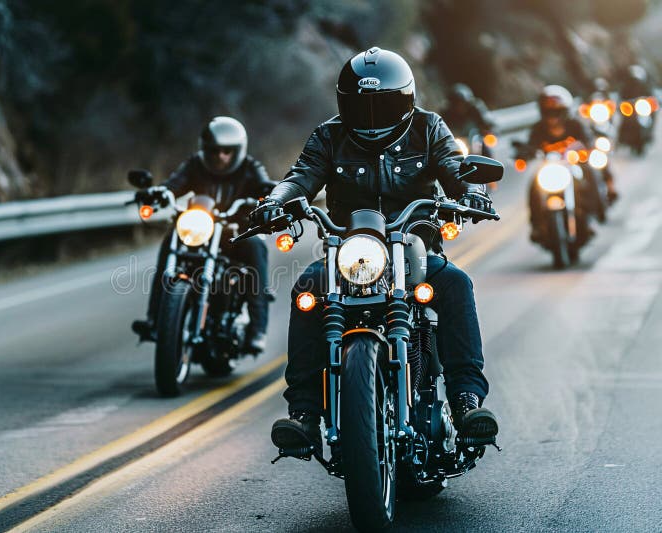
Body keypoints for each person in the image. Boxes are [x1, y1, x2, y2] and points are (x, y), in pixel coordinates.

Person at [249, 47, 499, 451]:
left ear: (405, 100)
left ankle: (466, 402)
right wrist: (276, 202)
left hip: (414, 250)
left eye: (381, 105)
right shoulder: (329, 136)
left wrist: (473, 192)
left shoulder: (428, 128)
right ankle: (305, 415)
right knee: (308, 292)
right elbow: (300, 177)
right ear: (344, 103)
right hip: (350, 254)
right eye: (360, 106)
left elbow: (456, 168)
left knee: (455, 284)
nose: (370, 116)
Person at [132, 116, 276, 354]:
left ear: (238, 150)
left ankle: (257, 329)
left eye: (227, 151)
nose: (220, 156)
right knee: (171, 239)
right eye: (215, 150)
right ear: (205, 149)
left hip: (235, 233)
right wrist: (162, 192)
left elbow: (263, 185)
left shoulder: (251, 168)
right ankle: (155, 319)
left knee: (255, 246)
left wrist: (268, 194)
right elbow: (174, 183)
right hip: (200, 231)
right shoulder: (195, 165)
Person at [521, 85, 616, 239]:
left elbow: (588, 141)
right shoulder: (538, 129)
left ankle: (596, 210)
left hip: (574, 166)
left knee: (591, 173)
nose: (553, 117)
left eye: (556, 112)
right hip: (550, 169)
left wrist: (588, 151)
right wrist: (523, 156)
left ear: (564, 111)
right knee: (533, 185)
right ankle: (537, 225)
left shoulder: (575, 125)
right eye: (548, 112)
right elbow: (529, 147)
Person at [442, 83, 496, 156]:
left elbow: (487, 121)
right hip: (459, 144)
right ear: (452, 104)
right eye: (456, 104)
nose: (460, 106)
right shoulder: (446, 114)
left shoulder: (476, 108)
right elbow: (442, 130)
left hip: (476, 139)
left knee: (488, 155)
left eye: (463, 103)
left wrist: (488, 130)